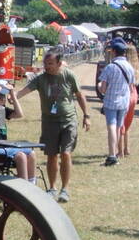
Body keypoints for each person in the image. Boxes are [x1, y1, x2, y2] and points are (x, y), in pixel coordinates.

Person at [17, 49, 90, 201]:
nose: (47, 66)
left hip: (68, 120)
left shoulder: (68, 75)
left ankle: (65, 189)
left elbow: (79, 95)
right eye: (45, 63)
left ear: (59, 63)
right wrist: (12, 97)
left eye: (50, 63)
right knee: (52, 156)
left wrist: (86, 116)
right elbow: (23, 91)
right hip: (49, 122)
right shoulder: (41, 79)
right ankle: (52, 188)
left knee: (66, 153)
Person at [96, 38, 135, 166]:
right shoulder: (130, 67)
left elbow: (103, 89)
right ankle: (115, 154)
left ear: (113, 52)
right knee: (118, 127)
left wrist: (100, 85)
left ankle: (112, 156)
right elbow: (131, 87)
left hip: (112, 100)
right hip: (124, 101)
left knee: (112, 127)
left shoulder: (110, 67)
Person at [0, 81, 37, 184]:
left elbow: (19, 114)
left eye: (4, 96)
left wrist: (13, 95)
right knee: (21, 156)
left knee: (31, 153)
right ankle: (24, 188)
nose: (3, 98)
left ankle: (31, 183)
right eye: (0, 96)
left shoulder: (2, 110)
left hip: (3, 145)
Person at [120, 44, 139, 157]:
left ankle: (119, 151)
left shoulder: (124, 66)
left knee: (120, 124)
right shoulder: (136, 67)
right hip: (134, 94)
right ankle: (127, 148)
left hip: (125, 94)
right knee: (127, 124)